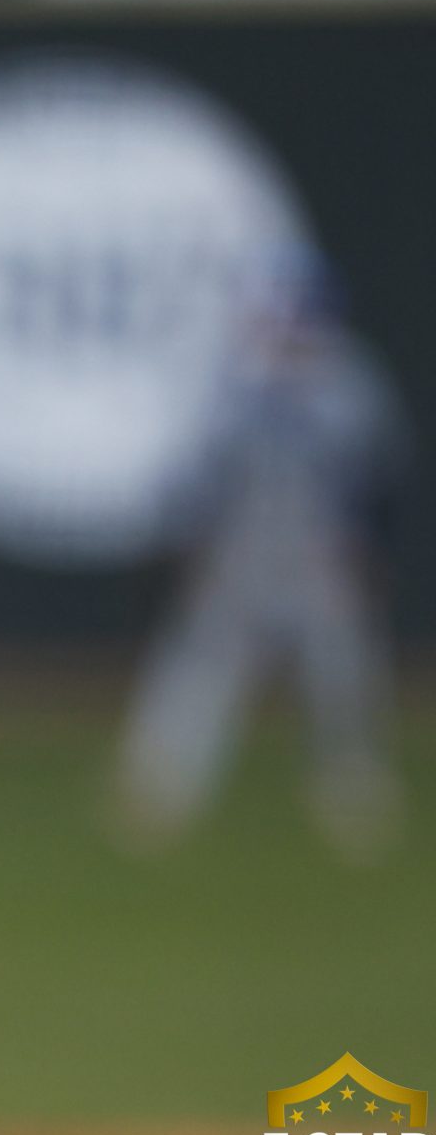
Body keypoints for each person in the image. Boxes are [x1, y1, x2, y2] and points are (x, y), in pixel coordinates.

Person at [115, 249, 411, 862]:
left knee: (342, 673)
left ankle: (350, 787)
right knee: (202, 670)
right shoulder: (234, 386)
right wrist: (196, 551)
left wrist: (365, 551)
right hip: (242, 555)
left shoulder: (347, 385)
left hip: (317, 556)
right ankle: (159, 787)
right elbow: (199, 482)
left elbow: (377, 480)